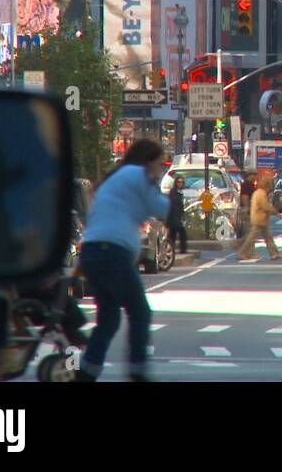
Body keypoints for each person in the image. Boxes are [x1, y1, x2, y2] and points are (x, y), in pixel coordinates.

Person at [76, 139, 170, 382]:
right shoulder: (139, 175)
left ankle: (87, 371)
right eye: (160, 164)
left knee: (108, 318)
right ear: (148, 161)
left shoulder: (117, 179)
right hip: (113, 253)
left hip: (93, 252)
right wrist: (154, 185)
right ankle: (137, 372)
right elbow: (161, 208)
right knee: (139, 312)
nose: (161, 170)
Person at [237, 176, 282, 261]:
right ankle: (243, 253)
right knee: (252, 238)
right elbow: (265, 206)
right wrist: (277, 213)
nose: (270, 188)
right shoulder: (261, 193)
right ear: (267, 185)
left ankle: (274, 253)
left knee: (268, 237)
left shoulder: (258, 192)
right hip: (259, 219)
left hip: (260, 218)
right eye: (269, 186)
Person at [167, 175, 188, 256]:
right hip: (173, 217)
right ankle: (181, 250)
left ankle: (173, 251)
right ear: (175, 183)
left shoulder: (180, 192)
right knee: (180, 233)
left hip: (178, 217)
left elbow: (181, 206)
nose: (180, 184)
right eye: (178, 182)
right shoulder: (173, 192)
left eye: (182, 182)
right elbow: (172, 205)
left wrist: (182, 215)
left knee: (173, 235)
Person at [237, 172, 257, 238]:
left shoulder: (251, 185)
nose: (255, 177)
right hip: (248, 211)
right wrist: (247, 209)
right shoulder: (246, 185)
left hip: (251, 210)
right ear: (250, 176)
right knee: (248, 231)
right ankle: (246, 245)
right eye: (254, 175)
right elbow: (244, 198)